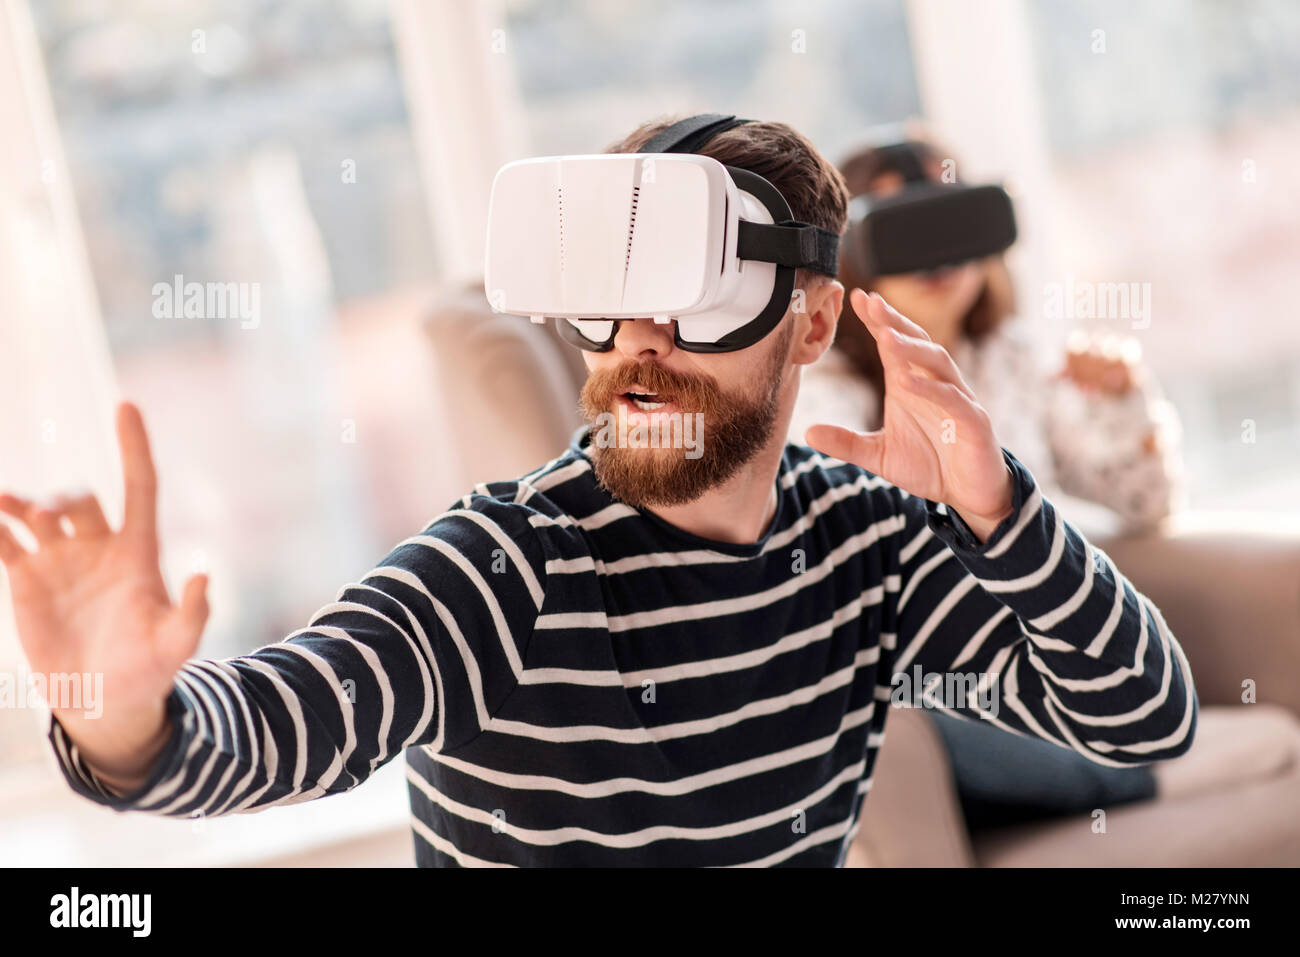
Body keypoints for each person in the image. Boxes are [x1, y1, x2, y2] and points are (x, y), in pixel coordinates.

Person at [0, 115, 1197, 867]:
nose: (639, 339)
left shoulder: (863, 541)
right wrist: (116, 710)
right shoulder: (506, 567)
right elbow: (268, 730)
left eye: (695, 298)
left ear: (812, 315)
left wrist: (1000, 516)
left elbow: (1144, 722)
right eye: (609, 294)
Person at [787, 134, 1210, 831]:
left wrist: (1124, 397)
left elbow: (1149, 502)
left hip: (1033, 666)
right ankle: (1109, 775)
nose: (937, 255)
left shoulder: (1017, 362)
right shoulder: (820, 386)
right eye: (905, 227)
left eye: (951, 222)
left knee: (1114, 708)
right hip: (925, 682)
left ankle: (1081, 773)